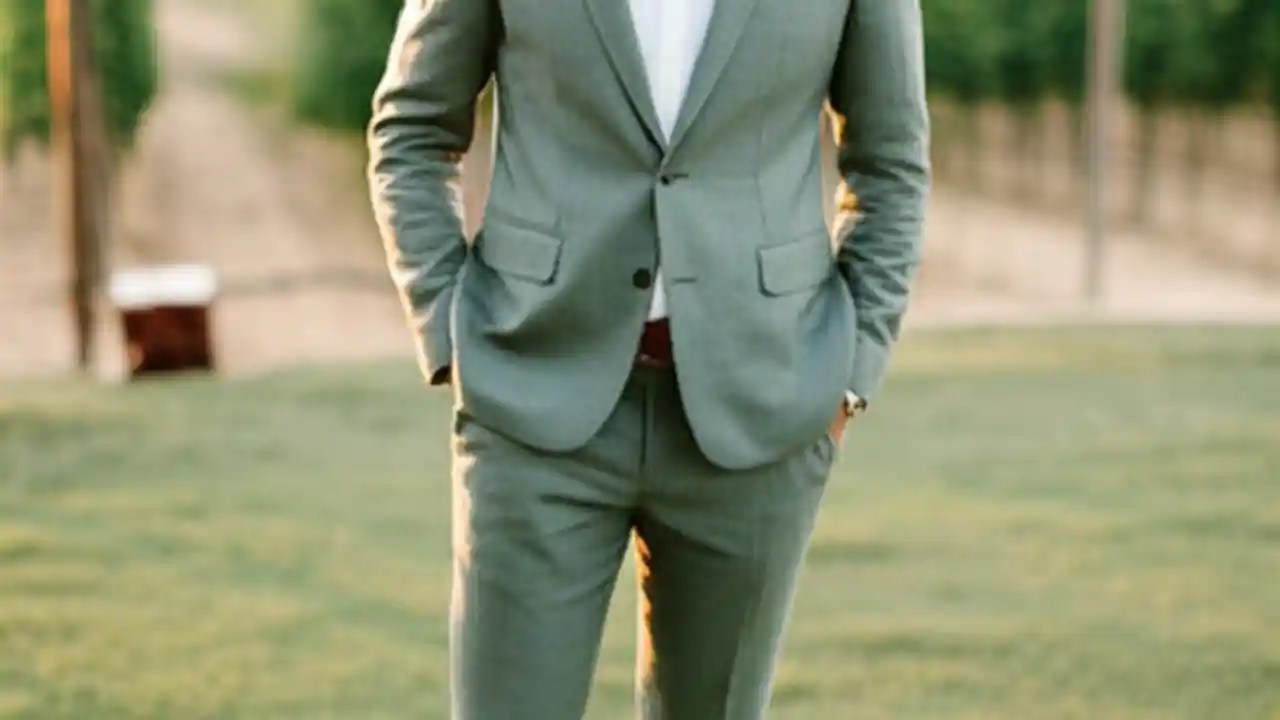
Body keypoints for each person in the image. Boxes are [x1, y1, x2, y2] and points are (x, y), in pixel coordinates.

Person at [367, 0, 929, 716]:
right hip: (532, 391)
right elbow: (412, 127)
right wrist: (448, 328)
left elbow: (891, 165)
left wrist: (853, 372)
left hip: (759, 402)